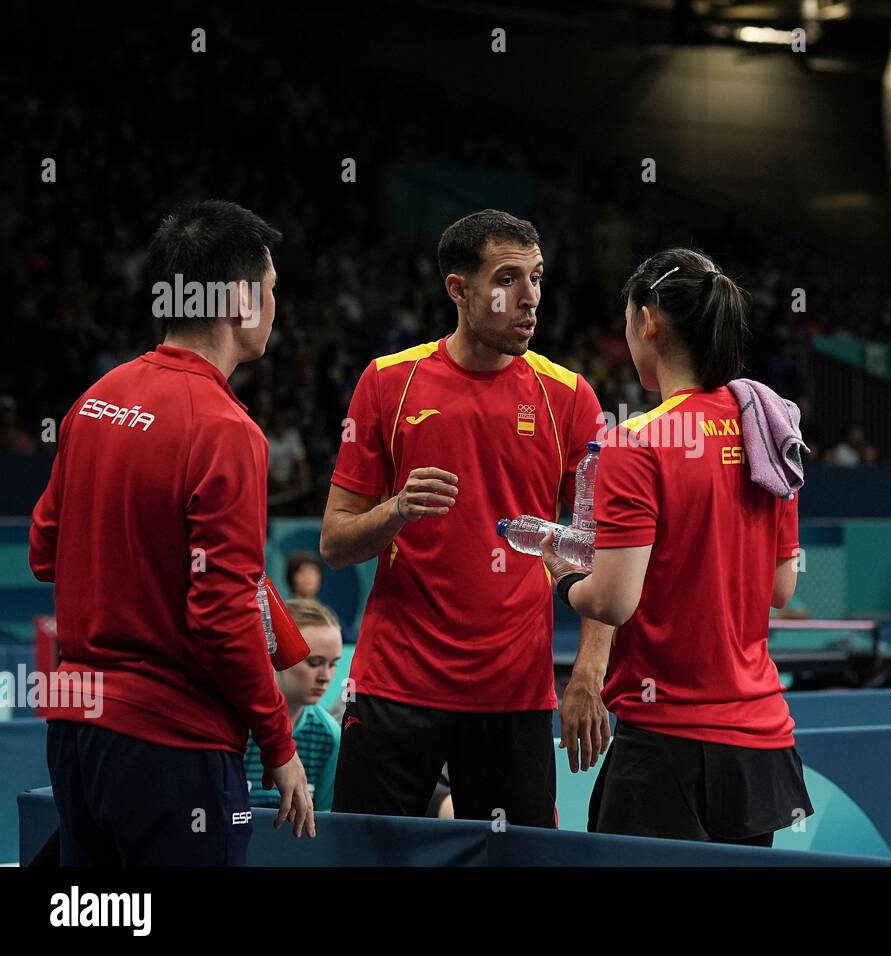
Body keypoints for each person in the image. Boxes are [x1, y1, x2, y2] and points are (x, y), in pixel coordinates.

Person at [29, 199, 314, 865]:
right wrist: (279, 747)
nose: (277, 308)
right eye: (273, 291)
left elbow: (47, 551)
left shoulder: (95, 400)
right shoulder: (227, 430)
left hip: (77, 735)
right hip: (171, 747)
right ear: (242, 299)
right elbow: (220, 612)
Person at [320, 210, 609, 827]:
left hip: (514, 694)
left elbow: (598, 549)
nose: (530, 297)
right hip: (395, 685)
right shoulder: (387, 383)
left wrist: (589, 669)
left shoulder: (570, 397)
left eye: (536, 277)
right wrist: (395, 511)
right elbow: (335, 544)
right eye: (509, 278)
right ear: (458, 288)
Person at [541, 248, 812, 846]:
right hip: (758, 740)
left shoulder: (636, 441)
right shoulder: (770, 428)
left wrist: (561, 571)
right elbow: (780, 588)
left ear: (649, 322)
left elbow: (612, 603)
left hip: (667, 743)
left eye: (627, 321)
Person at [245, 599, 343, 811]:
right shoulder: (239, 725)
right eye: (314, 663)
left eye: (333, 663)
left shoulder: (328, 734)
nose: (325, 676)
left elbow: (323, 819)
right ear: (275, 653)